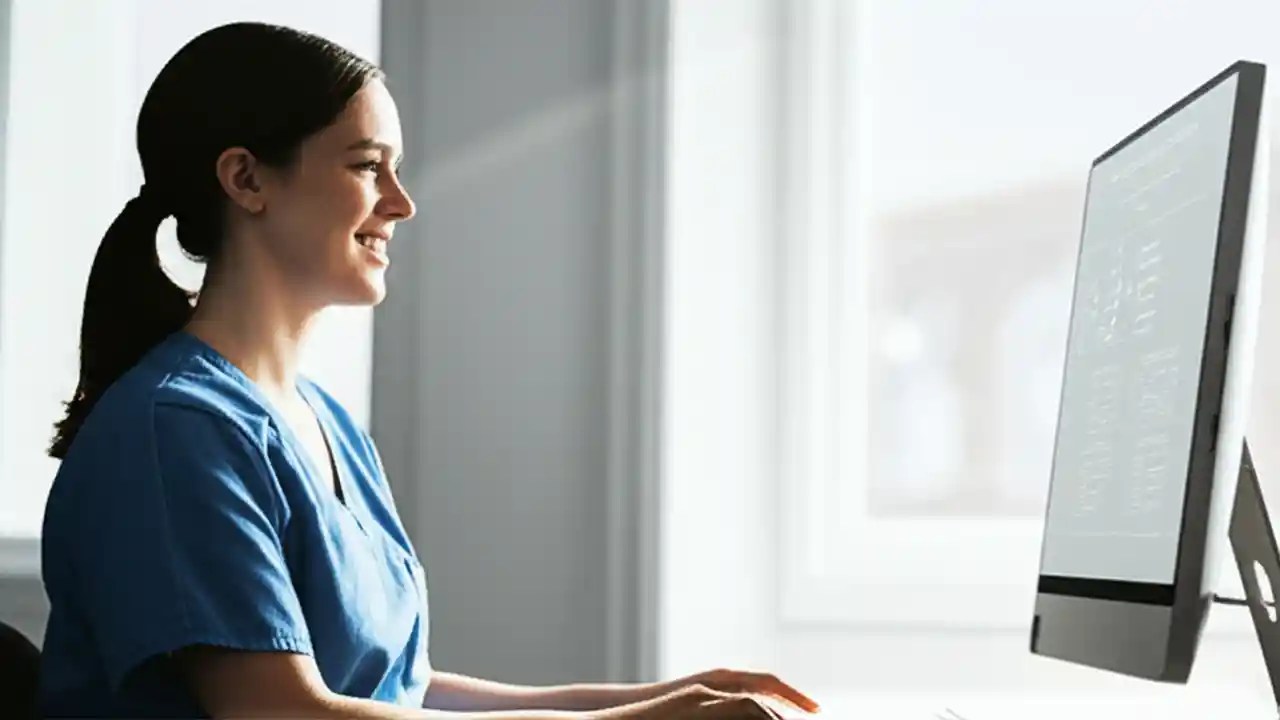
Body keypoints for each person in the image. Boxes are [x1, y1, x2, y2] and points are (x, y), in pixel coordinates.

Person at [36, 21, 822, 720]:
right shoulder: (175, 433)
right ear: (246, 180)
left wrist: (661, 698)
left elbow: (399, 693)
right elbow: (282, 714)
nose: (403, 203)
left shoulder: (322, 421)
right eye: (367, 166)